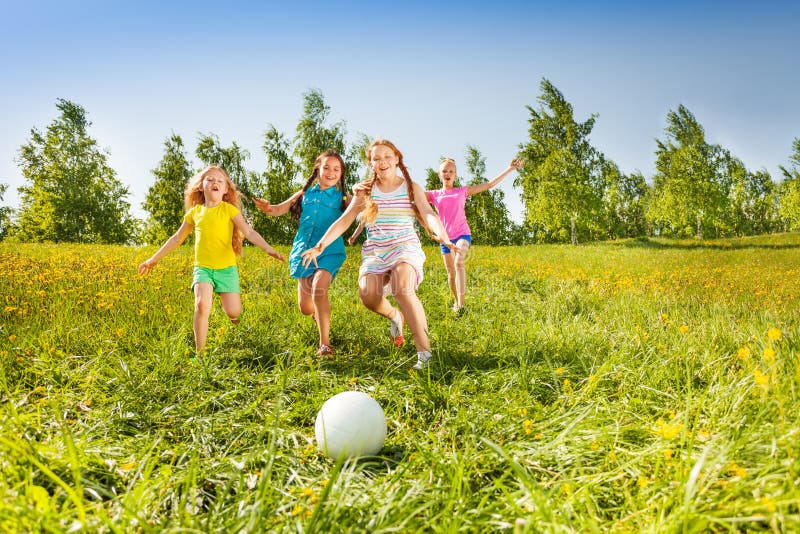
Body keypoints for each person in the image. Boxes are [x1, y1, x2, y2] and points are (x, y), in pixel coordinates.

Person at [301, 138, 455, 370]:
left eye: (386, 156)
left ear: (396, 159)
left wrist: (441, 233)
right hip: (376, 252)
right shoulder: (365, 191)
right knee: (368, 296)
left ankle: (425, 354)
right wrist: (321, 245)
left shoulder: (411, 187)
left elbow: (428, 212)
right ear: (371, 163)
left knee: (402, 287)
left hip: (405, 247)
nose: (382, 161)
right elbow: (345, 221)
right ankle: (395, 316)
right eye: (376, 158)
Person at [138, 165, 285, 352]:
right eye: (210, 180)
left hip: (227, 268)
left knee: (233, 311)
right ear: (201, 186)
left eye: (220, 181)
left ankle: (237, 325)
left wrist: (268, 249)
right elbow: (176, 238)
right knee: (201, 305)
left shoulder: (229, 210)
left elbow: (248, 232)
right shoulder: (195, 213)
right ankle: (201, 354)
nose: (215, 182)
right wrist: (153, 259)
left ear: (225, 190)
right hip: (203, 268)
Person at [253, 150, 351, 357]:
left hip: (329, 251)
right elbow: (278, 209)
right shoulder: (304, 194)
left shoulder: (344, 198)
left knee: (319, 289)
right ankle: (317, 315)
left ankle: (325, 344)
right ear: (317, 170)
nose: (331, 172)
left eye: (336, 169)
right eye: (326, 168)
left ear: (341, 174)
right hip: (303, 251)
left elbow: (362, 207)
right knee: (305, 308)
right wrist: (267, 208)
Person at [427, 157, 523, 314]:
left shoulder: (462, 191)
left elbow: (489, 184)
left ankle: (462, 306)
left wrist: (510, 169)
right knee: (451, 275)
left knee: (459, 263)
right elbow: (413, 196)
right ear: (439, 174)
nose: (448, 173)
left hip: (462, 234)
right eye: (444, 171)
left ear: (455, 175)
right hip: (445, 239)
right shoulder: (433, 195)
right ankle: (456, 302)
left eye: (451, 171)